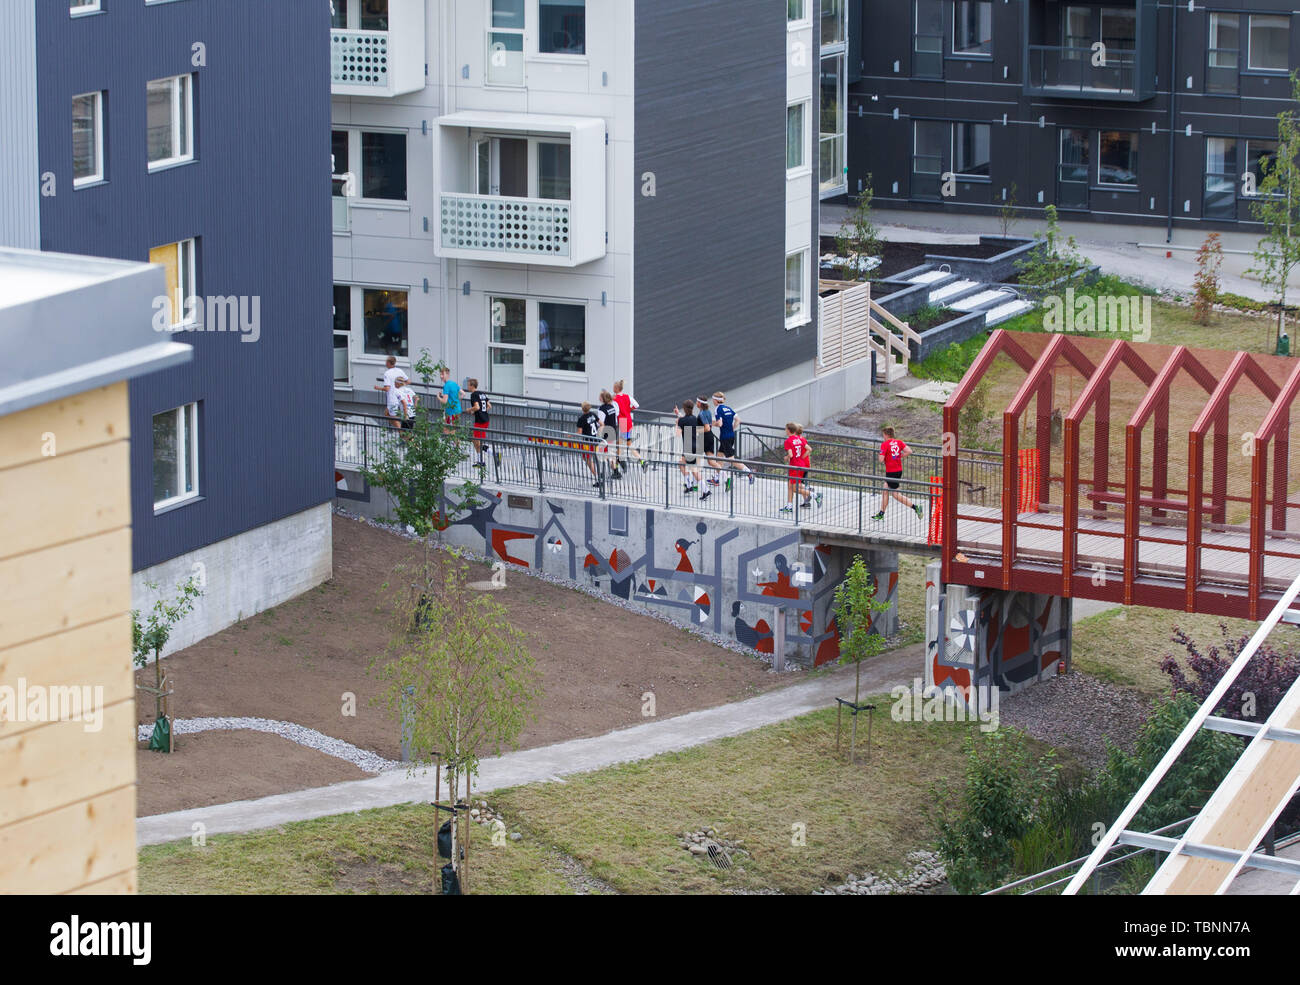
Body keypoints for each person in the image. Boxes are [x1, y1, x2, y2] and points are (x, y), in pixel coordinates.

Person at [874, 426, 924, 521]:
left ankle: (916, 507)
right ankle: (881, 513)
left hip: (891, 472)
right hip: (898, 470)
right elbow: (909, 451)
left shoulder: (885, 444)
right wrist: (899, 456)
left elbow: (880, 459)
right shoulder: (899, 442)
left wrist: (883, 455)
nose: (883, 437)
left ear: (886, 434)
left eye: (883, 435)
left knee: (896, 495)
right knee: (885, 490)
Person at [712, 391, 754, 489]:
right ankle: (716, 478)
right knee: (719, 456)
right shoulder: (728, 408)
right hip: (730, 436)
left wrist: (712, 424)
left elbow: (720, 423)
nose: (713, 402)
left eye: (713, 400)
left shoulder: (718, 409)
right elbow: (738, 420)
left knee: (732, 460)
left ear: (716, 400)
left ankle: (749, 473)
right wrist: (732, 428)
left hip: (725, 437)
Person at [675, 400, 710, 501]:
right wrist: (678, 415)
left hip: (688, 447)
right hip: (695, 445)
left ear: (685, 409)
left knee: (694, 470)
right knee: (681, 463)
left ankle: (705, 490)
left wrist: (677, 424)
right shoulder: (694, 418)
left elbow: (677, 433)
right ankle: (689, 484)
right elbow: (686, 420)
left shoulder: (682, 421)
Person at [780, 422, 820, 512]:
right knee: (790, 486)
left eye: (786, 429)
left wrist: (786, 457)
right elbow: (809, 449)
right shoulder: (800, 439)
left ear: (789, 430)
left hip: (794, 466)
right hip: (801, 464)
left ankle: (815, 495)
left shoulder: (788, 441)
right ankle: (789, 506)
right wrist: (802, 457)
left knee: (794, 488)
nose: (785, 430)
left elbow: (790, 454)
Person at [611, 380, 645, 470]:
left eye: (614, 387)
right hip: (629, 421)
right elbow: (636, 405)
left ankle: (641, 461)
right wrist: (628, 410)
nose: (613, 388)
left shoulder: (615, 400)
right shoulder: (627, 396)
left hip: (622, 422)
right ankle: (618, 467)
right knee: (622, 444)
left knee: (625, 445)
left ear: (617, 389)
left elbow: (616, 413)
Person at [695, 395, 725, 486]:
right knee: (711, 461)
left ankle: (695, 483)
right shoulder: (707, 412)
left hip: (703, 438)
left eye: (697, 401)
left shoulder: (702, 413)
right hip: (709, 437)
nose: (696, 403)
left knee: (697, 460)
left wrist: (696, 430)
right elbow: (710, 424)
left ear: (699, 403)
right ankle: (726, 476)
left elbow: (707, 428)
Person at [596, 389, 623, 479]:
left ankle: (602, 473)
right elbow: (615, 420)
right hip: (613, 431)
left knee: (601, 453)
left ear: (603, 398)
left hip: (606, 434)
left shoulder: (601, 409)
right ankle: (616, 471)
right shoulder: (612, 407)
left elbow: (600, 423)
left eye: (600, 396)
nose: (598, 397)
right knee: (611, 453)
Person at [577, 400, 604, 487]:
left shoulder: (581, 419)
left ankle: (598, 477)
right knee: (593, 459)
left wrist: (569, 435)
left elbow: (579, 432)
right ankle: (599, 474)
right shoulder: (593, 414)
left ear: (582, 409)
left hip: (588, 442)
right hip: (595, 440)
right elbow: (602, 424)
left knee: (587, 459)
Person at [467, 379, 492, 468]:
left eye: (468, 385)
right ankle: (480, 460)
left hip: (480, 421)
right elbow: (489, 406)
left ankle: (492, 453)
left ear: (472, 386)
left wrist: (469, 410)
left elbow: (477, 407)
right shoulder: (482, 393)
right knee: (476, 441)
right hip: (485, 419)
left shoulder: (473, 395)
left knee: (477, 442)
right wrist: (482, 412)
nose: (467, 387)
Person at [375, 355, 405, 428]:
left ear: (388, 363)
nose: (385, 363)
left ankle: (403, 434)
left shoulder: (387, 373)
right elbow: (407, 381)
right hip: (400, 396)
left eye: (386, 362)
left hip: (392, 398)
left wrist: (378, 388)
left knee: (393, 417)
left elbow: (387, 388)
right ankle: (401, 432)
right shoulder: (399, 371)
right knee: (387, 413)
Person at [437, 366, 462, 432]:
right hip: (457, 409)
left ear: (447, 374)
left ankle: (455, 442)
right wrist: (455, 400)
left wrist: (438, 397)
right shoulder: (454, 383)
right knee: (449, 429)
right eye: (440, 374)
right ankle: (454, 442)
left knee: (449, 430)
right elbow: (463, 393)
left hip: (451, 411)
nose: (441, 376)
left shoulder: (446, 385)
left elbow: (444, 401)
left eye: (443, 374)